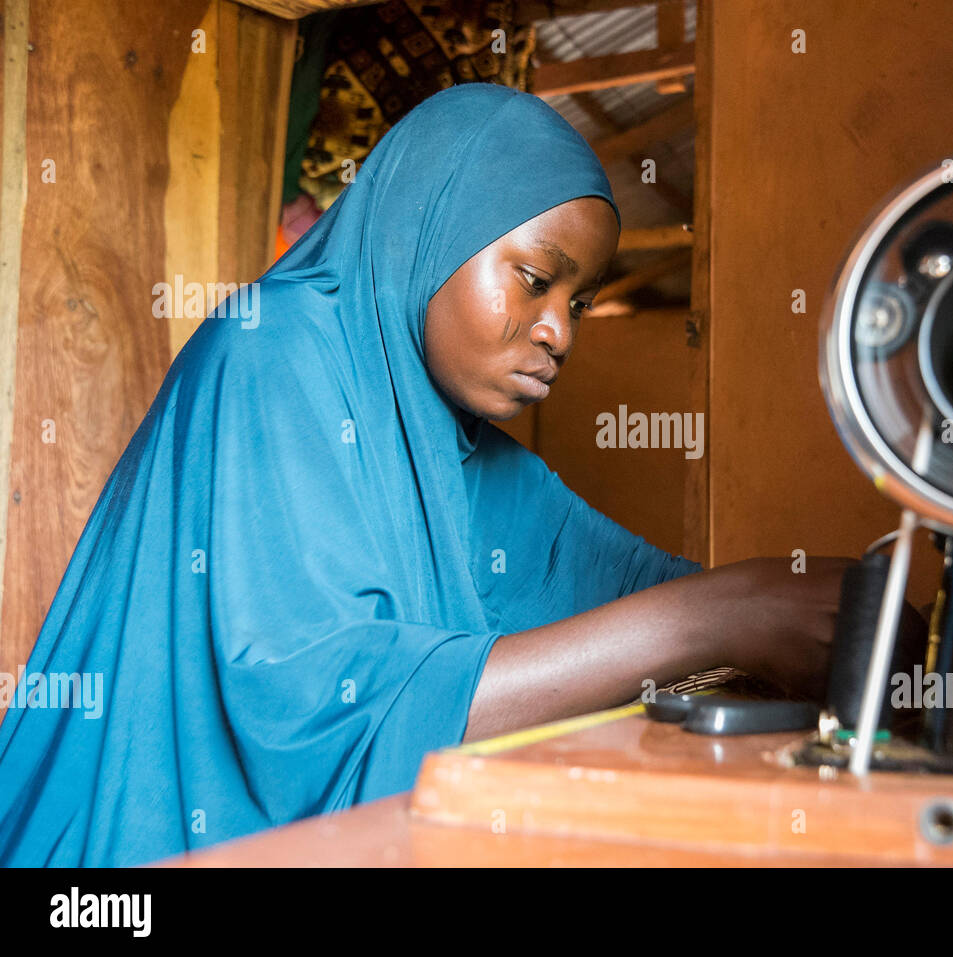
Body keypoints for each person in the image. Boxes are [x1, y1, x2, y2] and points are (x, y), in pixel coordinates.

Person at [0, 84, 847, 867]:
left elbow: (627, 590)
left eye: (578, 304)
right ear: (430, 223)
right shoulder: (269, 353)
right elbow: (321, 713)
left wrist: (800, 615)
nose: (560, 333)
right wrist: (721, 617)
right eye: (536, 279)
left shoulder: (466, 452)